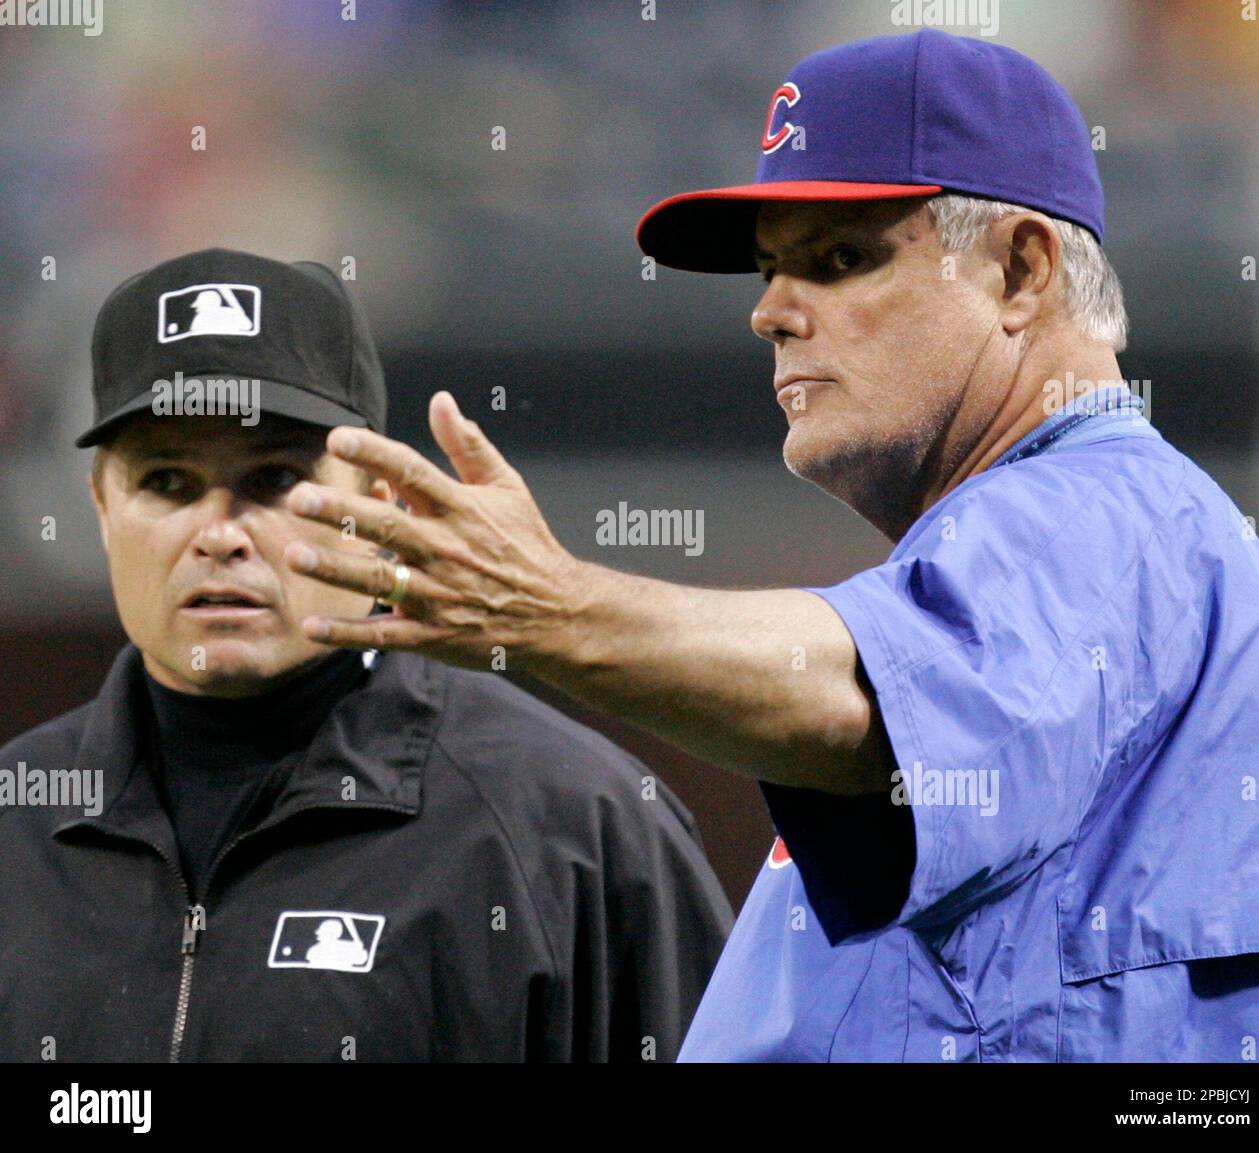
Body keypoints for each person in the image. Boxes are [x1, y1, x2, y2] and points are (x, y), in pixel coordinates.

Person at [274, 31, 1259, 1061]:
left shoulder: (1101, 511)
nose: (769, 311)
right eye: (770, 270)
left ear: (1018, 271)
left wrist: (550, 607)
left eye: (839, 259)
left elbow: (855, 704)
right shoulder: (1056, 538)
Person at [0, 247, 733, 1063]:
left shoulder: (571, 825)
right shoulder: (16, 821)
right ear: (102, 506)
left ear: (376, 509)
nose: (219, 534)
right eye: (167, 482)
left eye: (275, 478)